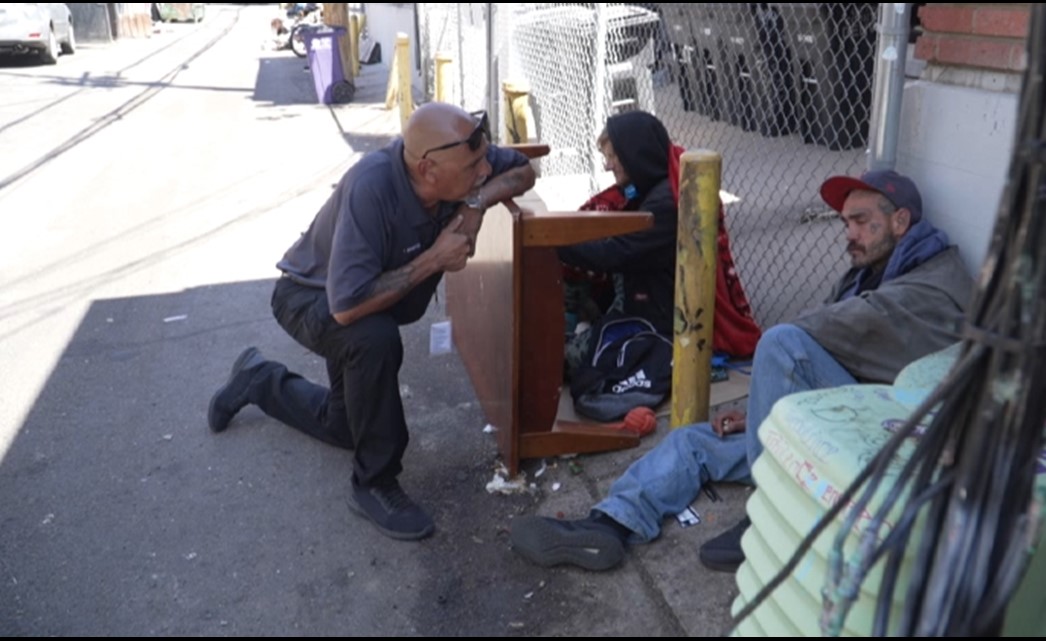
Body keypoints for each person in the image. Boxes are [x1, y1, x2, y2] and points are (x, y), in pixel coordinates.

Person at [508, 169, 976, 571]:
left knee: (782, 342)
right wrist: (760, 411)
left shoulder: (934, 283)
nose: (848, 233)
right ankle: (609, 525)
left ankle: (770, 513)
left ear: (900, 220)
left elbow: (834, 335)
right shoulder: (876, 265)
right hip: (842, 417)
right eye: (845, 222)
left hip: (887, 438)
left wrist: (766, 402)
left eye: (861, 222)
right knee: (693, 439)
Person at [207, 102, 536, 542]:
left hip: (363, 300)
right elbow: (346, 306)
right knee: (374, 340)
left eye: (484, 162)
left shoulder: (462, 161)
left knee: (346, 426)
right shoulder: (372, 187)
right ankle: (374, 482)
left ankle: (258, 380)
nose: (484, 170)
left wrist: (475, 204)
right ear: (428, 169)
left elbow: (524, 171)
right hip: (311, 297)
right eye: (474, 168)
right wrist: (433, 259)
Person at [561, 111, 762, 376]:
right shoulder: (652, 187)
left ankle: (574, 336)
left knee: (560, 360)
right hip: (648, 301)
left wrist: (555, 242)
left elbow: (616, 253)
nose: (608, 166)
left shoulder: (665, 204)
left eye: (613, 157)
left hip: (657, 319)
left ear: (635, 155)